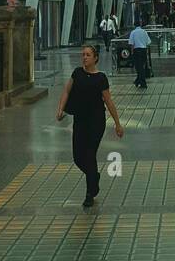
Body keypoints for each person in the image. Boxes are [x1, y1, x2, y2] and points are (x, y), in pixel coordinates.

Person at [56, 44, 124, 208]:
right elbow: (66, 90)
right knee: (77, 157)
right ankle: (94, 176)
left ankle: (89, 193)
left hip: (96, 122)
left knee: (89, 154)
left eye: (87, 55)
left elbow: (108, 101)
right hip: (80, 120)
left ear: (95, 58)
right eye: (83, 55)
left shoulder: (101, 78)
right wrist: (60, 109)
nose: (84, 57)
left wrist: (117, 123)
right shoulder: (77, 73)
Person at [128, 18, 151, 88]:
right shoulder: (144, 32)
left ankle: (142, 83)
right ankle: (138, 81)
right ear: (140, 24)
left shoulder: (133, 32)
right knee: (142, 67)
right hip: (143, 50)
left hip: (136, 51)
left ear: (134, 25)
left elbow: (131, 43)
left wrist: (132, 53)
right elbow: (148, 42)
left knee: (138, 67)